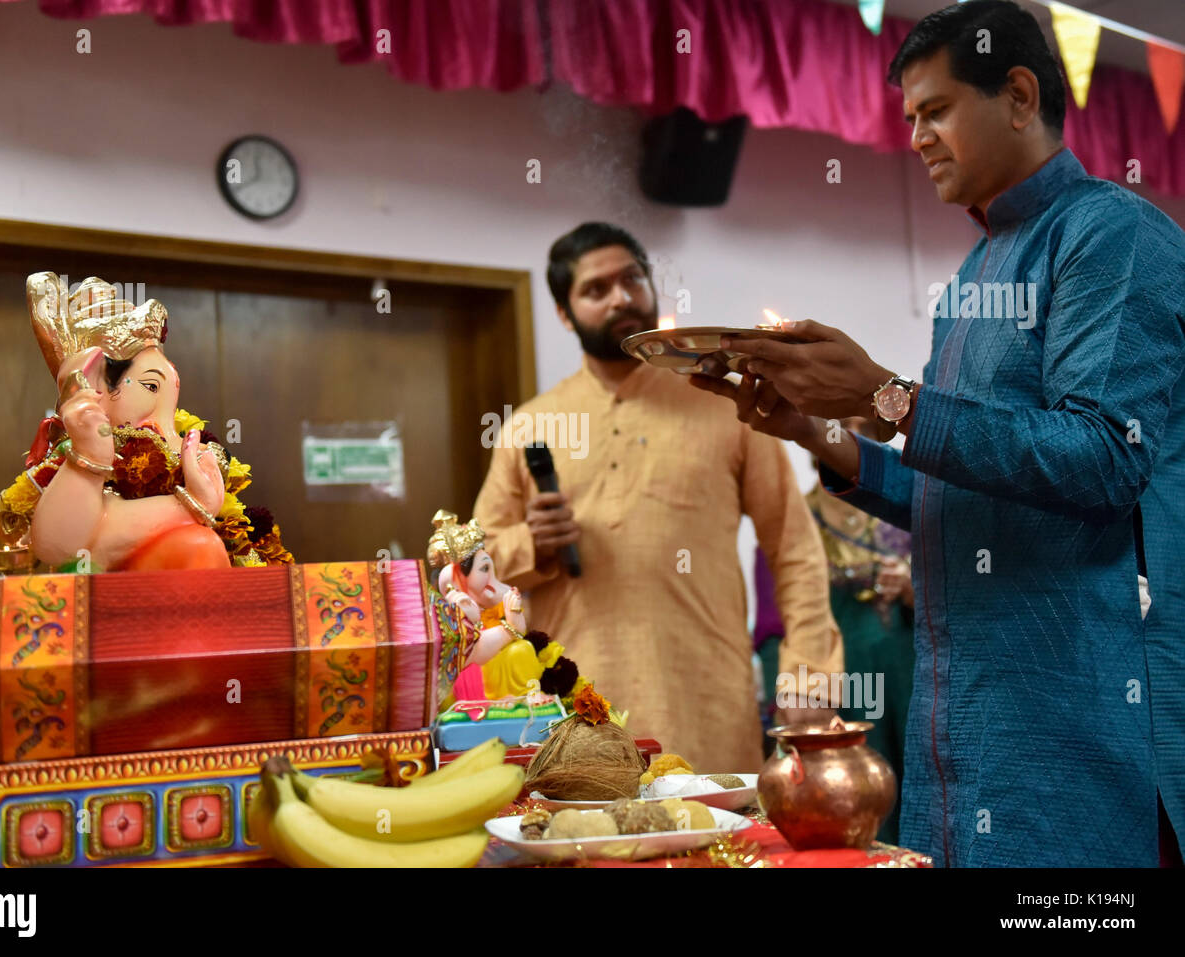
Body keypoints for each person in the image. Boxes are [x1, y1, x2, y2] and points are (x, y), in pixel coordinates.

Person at [693, 0, 1183, 867]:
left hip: (1078, 715)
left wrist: (887, 395)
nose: (916, 135)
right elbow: (955, 488)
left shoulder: (1110, 236)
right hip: (959, 728)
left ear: (1021, 94)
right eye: (909, 116)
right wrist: (818, 431)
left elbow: (1106, 459)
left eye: (936, 110)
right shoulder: (970, 280)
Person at [472, 222, 842, 772]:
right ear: (564, 314)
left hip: (706, 708)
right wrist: (532, 545)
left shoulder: (725, 404)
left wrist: (810, 677)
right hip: (570, 717)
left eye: (632, 279)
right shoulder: (529, 426)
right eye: (596, 290)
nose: (622, 297)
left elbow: (793, 545)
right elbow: (473, 578)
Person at [0, 273, 292, 571]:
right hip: (109, 606)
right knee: (198, 546)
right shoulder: (81, 462)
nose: (163, 420)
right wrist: (189, 505)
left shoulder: (165, 463)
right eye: (150, 386)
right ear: (94, 383)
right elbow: (64, 548)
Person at [755, 417, 916, 845]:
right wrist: (792, 698)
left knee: (913, 792)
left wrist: (911, 588)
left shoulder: (908, 514)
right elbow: (773, 630)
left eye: (857, 422)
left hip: (904, 682)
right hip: (833, 690)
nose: (847, 431)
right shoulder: (792, 522)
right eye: (836, 423)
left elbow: (954, 603)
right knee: (842, 800)